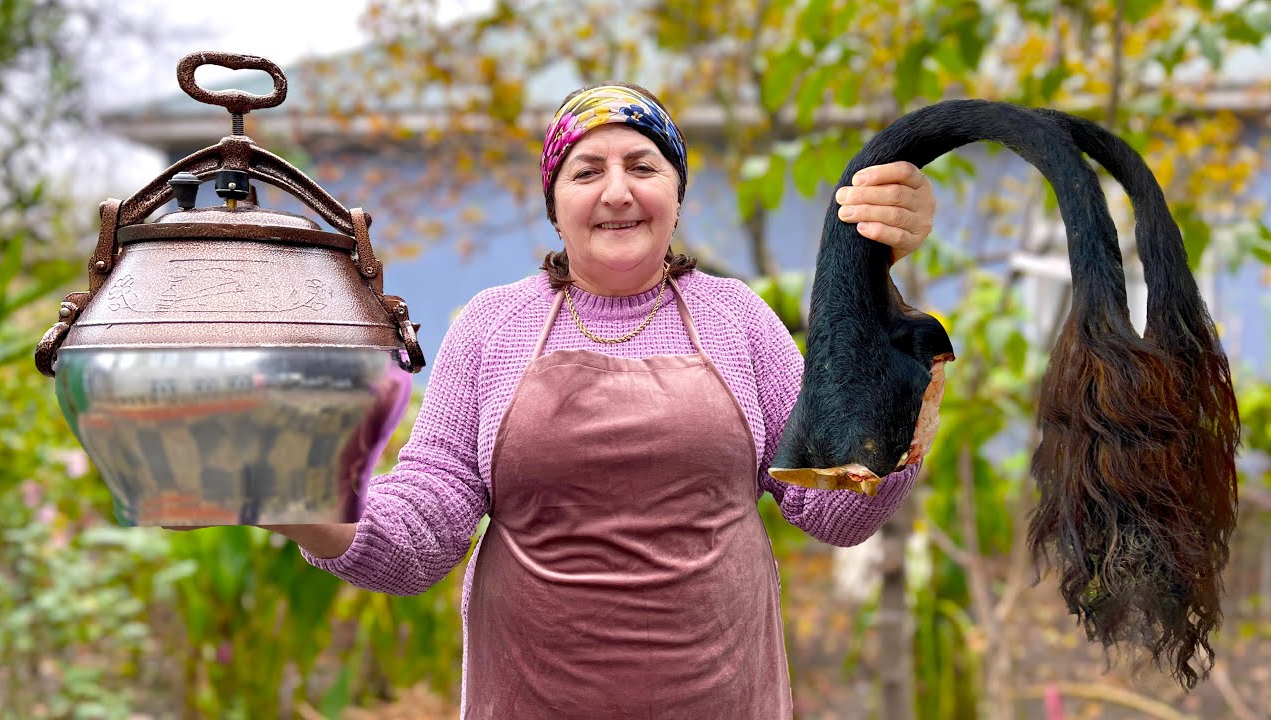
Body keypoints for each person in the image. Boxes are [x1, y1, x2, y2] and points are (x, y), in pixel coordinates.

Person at [271, 84, 937, 719]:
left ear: (677, 193)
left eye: (642, 165)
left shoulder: (739, 319)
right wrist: (304, 506)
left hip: (724, 699)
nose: (618, 191)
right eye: (586, 172)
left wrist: (903, 405)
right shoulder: (492, 325)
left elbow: (830, 508)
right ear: (554, 206)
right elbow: (428, 518)